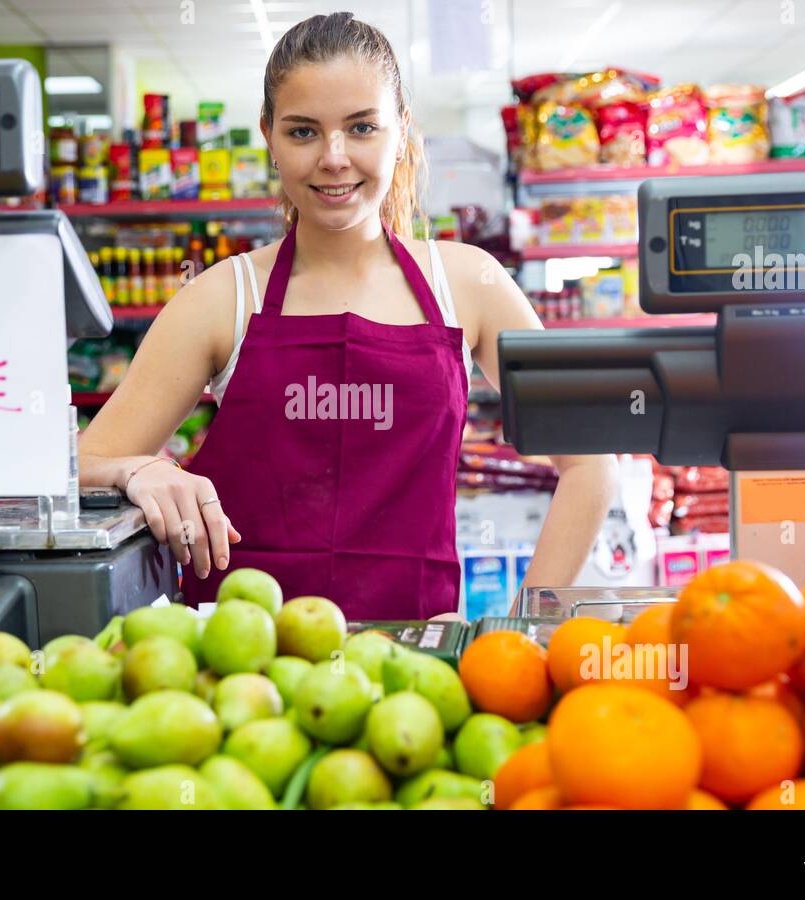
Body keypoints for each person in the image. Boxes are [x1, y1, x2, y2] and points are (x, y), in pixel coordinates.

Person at [80, 12, 617, 620]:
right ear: (269, 136)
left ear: (400, 129)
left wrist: (522, 630)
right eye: (303, 132)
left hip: (416, 674)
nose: (334, 158)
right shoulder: (221, 297)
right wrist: (140, 471)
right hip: (242, 674)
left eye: (362, 127)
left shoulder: (469, 283)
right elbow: (82, 465)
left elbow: (591, 462)